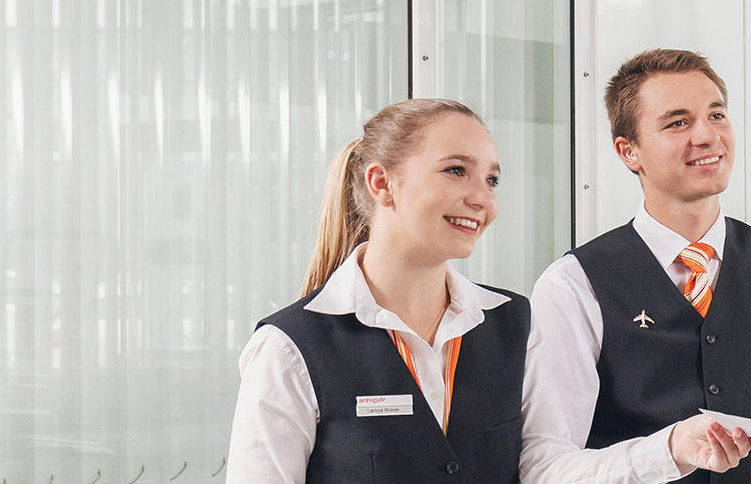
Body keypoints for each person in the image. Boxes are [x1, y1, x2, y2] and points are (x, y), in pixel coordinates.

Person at [521, 48, 751, 483]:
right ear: (629, 151)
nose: (707, 136)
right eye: (678, 122)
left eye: (716, 115)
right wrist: (669, 450)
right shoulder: (573, 285)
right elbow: (546, 470)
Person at [227, 99, 630, 483]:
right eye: (456, 171)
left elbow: (547, 469)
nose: (483, 199)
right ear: (382, 183)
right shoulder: (288, 348)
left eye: (491, 180)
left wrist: (669, 449)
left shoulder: (515, 323)